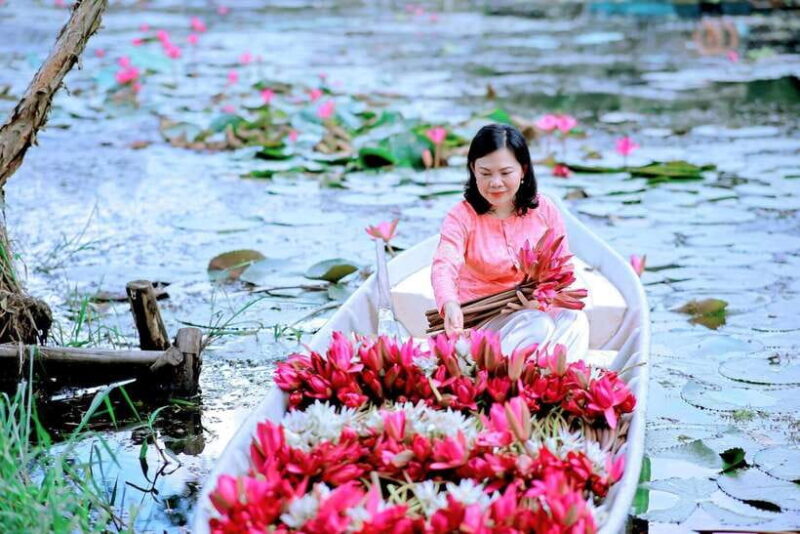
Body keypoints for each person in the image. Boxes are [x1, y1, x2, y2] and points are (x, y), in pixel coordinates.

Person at [430, 123, 589, 359]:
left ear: (523, 170)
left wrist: (540, 303)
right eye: (485, 173)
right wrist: (450, 304)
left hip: (534, 309)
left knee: (574, 318)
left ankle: (552, 378)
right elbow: (444, 265)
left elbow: (562, 270)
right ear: (473, 169)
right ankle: (501, 376)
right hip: (478, 319)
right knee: (538, 325)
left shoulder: (544, 209)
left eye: (505, 173)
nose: (495, 182)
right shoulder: (462, 216)